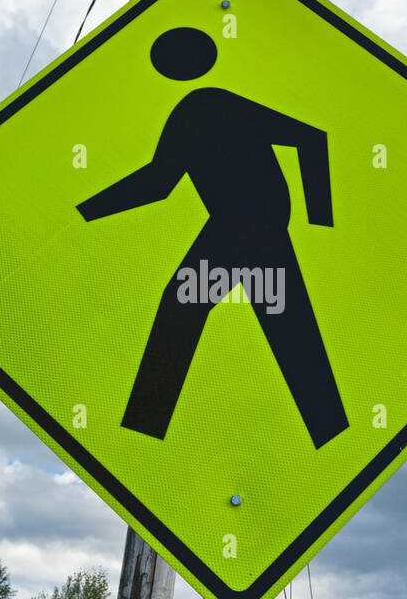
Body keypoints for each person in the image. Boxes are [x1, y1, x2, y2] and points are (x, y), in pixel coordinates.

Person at [77, 26, 348, 448]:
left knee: (189, 306)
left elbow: (310, 139)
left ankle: (144, 431)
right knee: (282, 321)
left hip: (247, 223)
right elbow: (159, 182)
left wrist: (322, 221)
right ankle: (330, 431)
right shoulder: (192, 110)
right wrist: (85, 212)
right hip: (241, 224)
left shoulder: (210, 103)